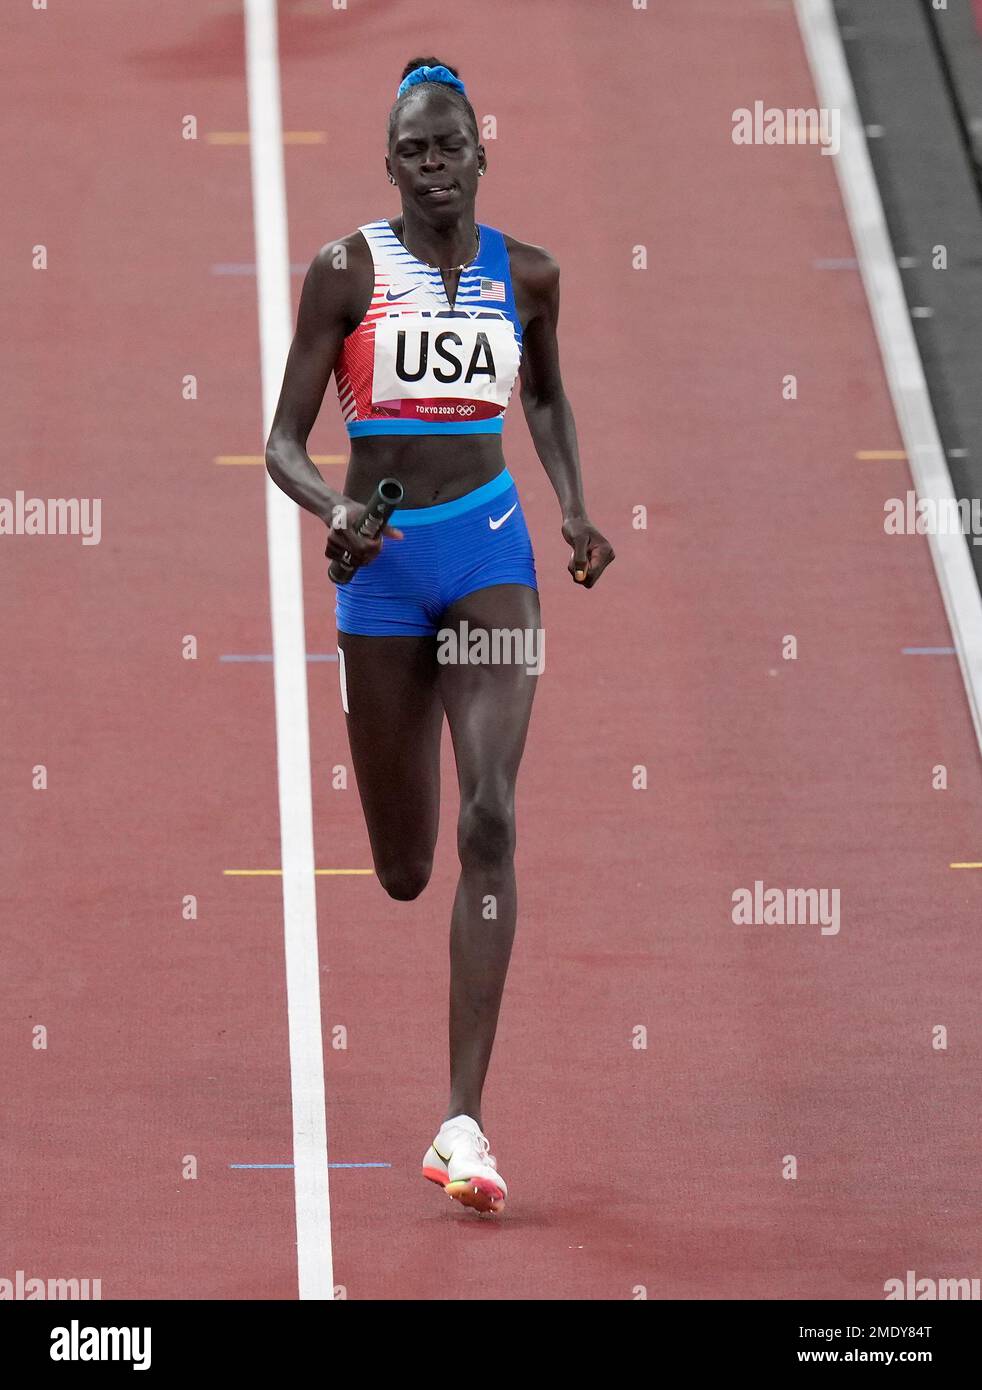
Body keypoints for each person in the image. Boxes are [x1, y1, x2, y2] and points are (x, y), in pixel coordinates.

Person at [265, 56, 614, 1214]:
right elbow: (279, 441)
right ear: (390, 165)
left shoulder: (533, 274)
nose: (433, 166)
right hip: (382, 583)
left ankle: (462, 1122)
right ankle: (456, 1108)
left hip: (489, 557)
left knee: (492, 813)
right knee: (408, 868)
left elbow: (547, 397)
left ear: (479, 153)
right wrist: (337, 511)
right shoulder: (345, 271)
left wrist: (571, 506)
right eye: (412, 150)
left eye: (449, 146)